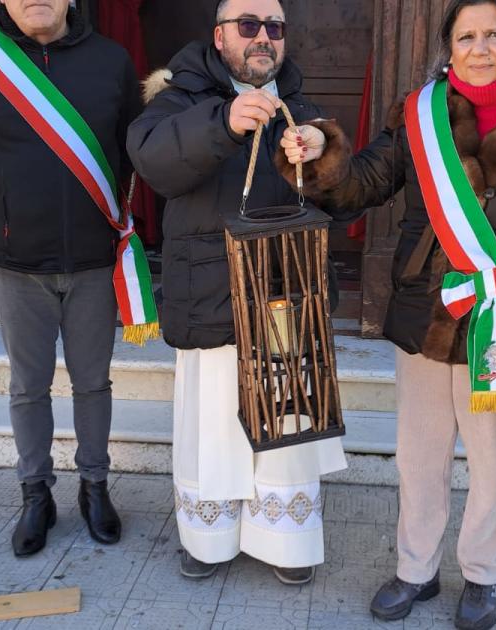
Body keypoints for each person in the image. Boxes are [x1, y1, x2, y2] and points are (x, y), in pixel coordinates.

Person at [279, 1, 496, 626]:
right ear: (448, 47)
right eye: (466, 36)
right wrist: (320, 147)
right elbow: (361, 185)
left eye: (494, 35)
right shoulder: (420, 112)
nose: (479, 49)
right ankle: (415, 569)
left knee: (494, 459)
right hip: (428, 312)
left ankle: (484, 573)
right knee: (420, 456)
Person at [127, 0, 353, 586]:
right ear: (220, 36)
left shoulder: (295, 99)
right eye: (248, 26)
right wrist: (224, 123)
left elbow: (335, 189)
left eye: (274, 28)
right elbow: (153, 160)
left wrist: (321, 147)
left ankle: (286, 541)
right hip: (210, 289)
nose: (263, 38)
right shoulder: (182, 95)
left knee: (284, 420)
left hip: (281, 295)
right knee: (213, 427)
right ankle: (209, 540)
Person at [0, 0, 155, 557]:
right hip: (15, 265)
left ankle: (95, 487)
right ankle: (35, 492)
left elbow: (132, 153)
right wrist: (6, 210)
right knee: (27, 387)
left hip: (93, 259)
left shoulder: (111, 61)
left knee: (93, 384)